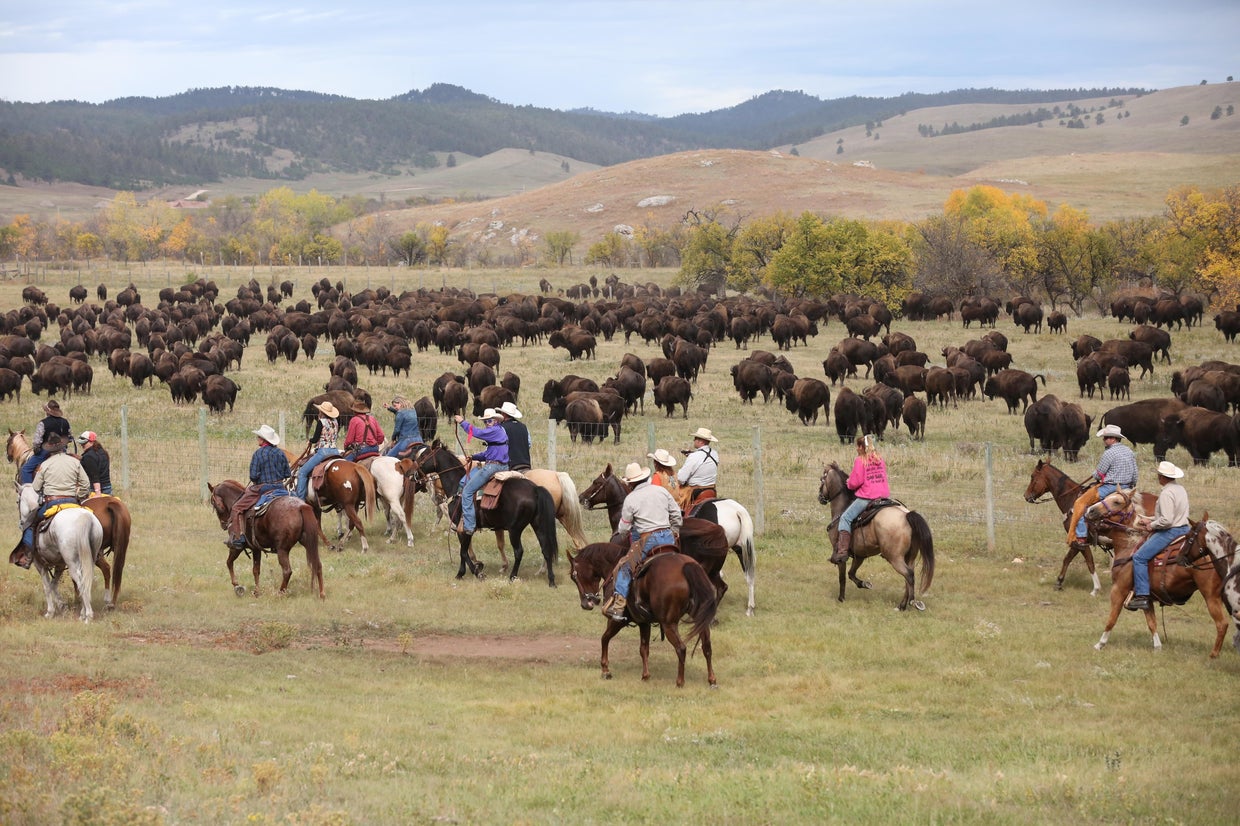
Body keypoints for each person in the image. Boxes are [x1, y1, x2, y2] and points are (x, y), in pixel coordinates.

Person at [602, 461, 684, 621]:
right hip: (668, 537)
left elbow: (624, 529)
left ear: (630, 483)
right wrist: (674, 531)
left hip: (648, 540)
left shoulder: (631, 499)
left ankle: (618, 607)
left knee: (625, 567)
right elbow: (676, 515)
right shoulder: (661, 491)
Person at [12, 433, 90, 568]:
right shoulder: (75, 462)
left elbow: (35, 487)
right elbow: (86, 484)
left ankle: (27, 556)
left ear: (49, 448)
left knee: (30, 522)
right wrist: (79, 496)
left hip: (53, 503)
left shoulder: (45, 464)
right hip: (73, 502)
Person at [1127, 461, 1190, 611]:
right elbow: (1172, 516)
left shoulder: (1166, 493)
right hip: (1185, 529)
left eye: (1159, 475)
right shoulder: (1180, 489)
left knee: (1139, 557)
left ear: (1162, 477)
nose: (1158, 477)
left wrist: (1151, 525)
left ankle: (1142, 595)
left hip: (1171, 531)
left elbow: (1167, 521)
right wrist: (1149, 519)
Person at [1067, 424, 1139, 553]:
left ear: (1112, 439)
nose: (1104, 440)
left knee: (1081, 503)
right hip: (1127, 488)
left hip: (1110, 487)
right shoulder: (1129, 451)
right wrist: (1130, 487)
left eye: (1105, 438)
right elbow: (1135, 474)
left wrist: (1095, 475)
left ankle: (1081, 537)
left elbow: (1100, 473)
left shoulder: (1109, 453)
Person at [226, 425, 293, 549]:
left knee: (236, 507)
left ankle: (239, 538)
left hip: (263, 489)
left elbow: (253, 476)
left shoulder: (258, 454)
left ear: (263, 440)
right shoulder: (280, 453)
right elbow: (287, 474)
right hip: (280, 488)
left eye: (259, 437)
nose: (257, 439)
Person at [831, 433, 890, 564]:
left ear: (862, 447)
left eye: (858, 446)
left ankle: (842, 551)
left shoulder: (860, 460)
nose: (856, 449)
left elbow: (854, 483)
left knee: (845, 518)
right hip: (884, 496)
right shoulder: (879, 458)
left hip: (868, 497)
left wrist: (848, 483)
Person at [453, 408, 509, 535]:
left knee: (467, 491)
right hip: (503, 466)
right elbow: (489, 453)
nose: (487, 424)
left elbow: (476, 432)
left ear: (495, 421)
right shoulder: (499, 431)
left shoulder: (494, 430)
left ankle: (469, 526)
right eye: (485, 422)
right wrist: (474, 457)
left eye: (489, 421)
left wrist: (462, 422)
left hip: (492, 467)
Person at [19, 399, 73, 484]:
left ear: (47, 412)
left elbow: (37, 441)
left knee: (25, 469)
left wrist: (36, 449)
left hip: (46, 451)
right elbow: (70, 437)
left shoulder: (43, 423)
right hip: (62, 450)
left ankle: (28, 490)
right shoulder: (65, 422)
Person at [295, 401, 341, 500]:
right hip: (335, 451)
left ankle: (300, 499)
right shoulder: (336, 422)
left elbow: (316, 439)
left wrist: (310, 441)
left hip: (323, 452)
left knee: (302, 472)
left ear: (322, 412)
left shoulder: (321, 422)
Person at [676, 426, 719, 510]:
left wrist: (691, 457)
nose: (693, 440)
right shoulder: (715, 454)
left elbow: (681, 479)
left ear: (701, 441)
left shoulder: (694, 456)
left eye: (695, 438)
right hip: (711, 489)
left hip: (695, 491)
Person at [496, 401, 531, 472]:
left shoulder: (501, 428)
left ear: (504, 414)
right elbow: (529, 444)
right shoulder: (524, 427)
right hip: (526, 464)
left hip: (510, 466)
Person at [77, 430, 112, 495]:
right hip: (107, 487)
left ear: (91, 442)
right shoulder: (103, 452)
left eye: (84, 443)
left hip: (95, 489)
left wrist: (97, 493)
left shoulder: (88, 456)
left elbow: (94, 476)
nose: (82, 445)